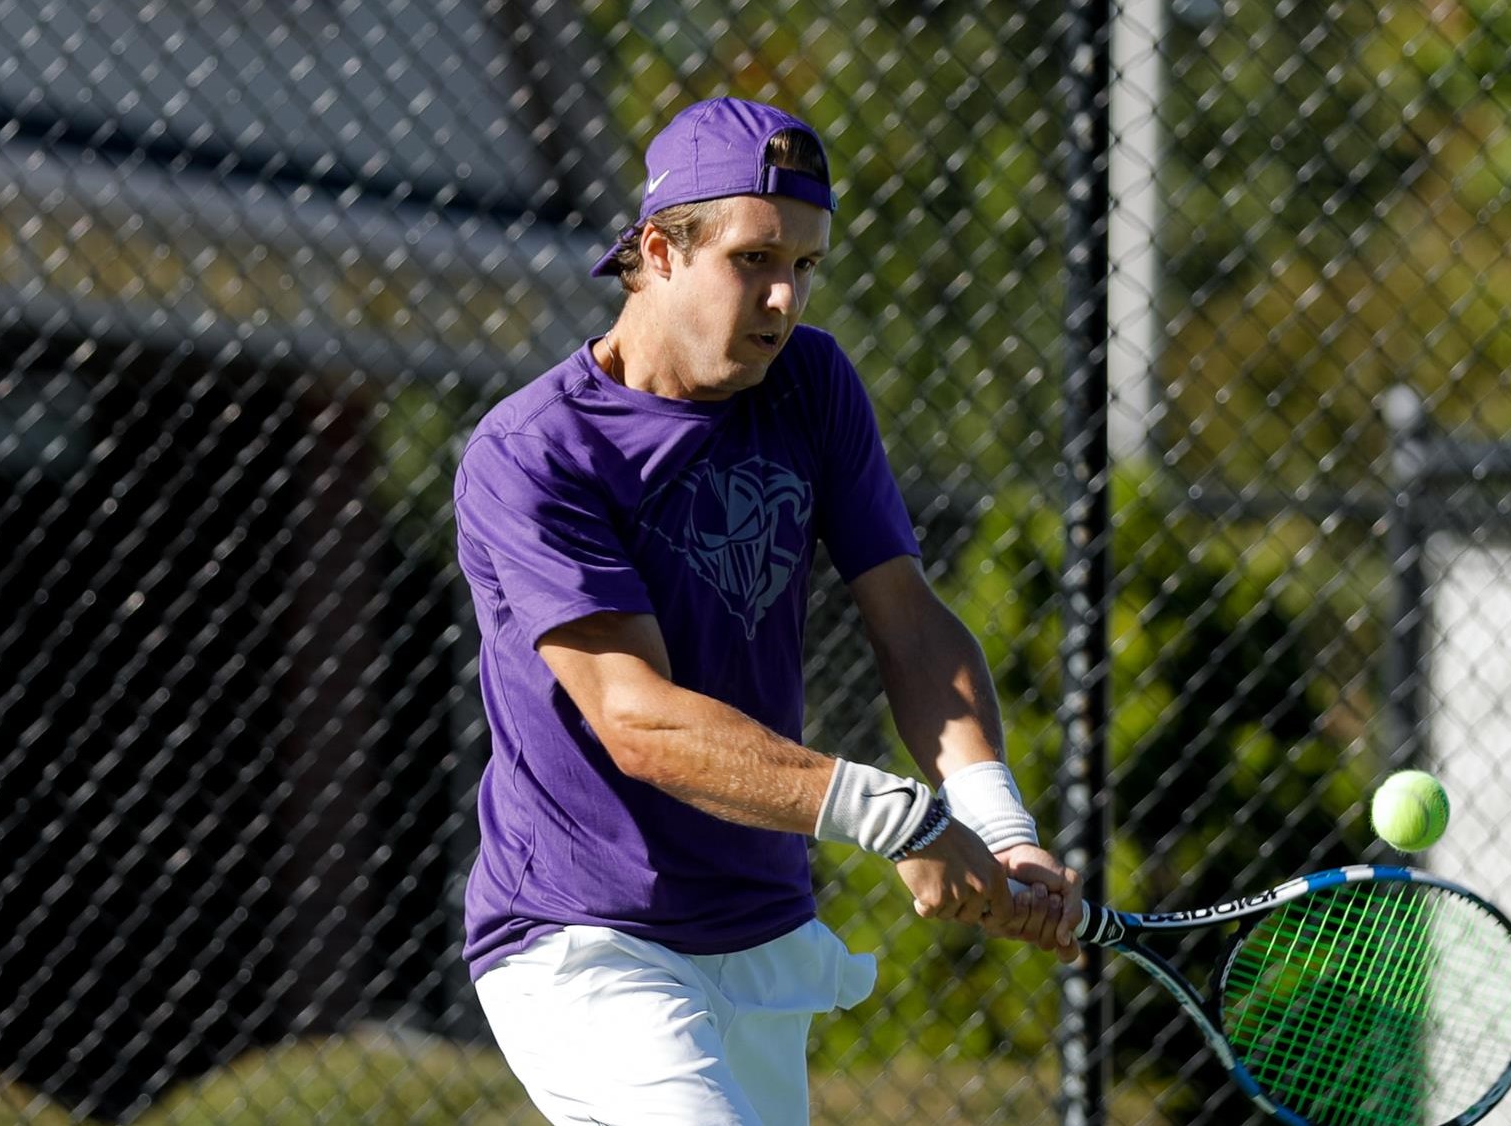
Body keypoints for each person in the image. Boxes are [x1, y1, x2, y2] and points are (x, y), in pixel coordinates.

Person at [455, 95, 1084, 1126]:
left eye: (805, 263)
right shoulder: (534, 454)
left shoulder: (811, 386)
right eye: (753, 259)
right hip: (584, 942)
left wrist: (992, 819)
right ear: (658, 250)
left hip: (757, 934)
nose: (784, 297)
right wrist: (897, 817)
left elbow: (908, 619)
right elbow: (638, 719)